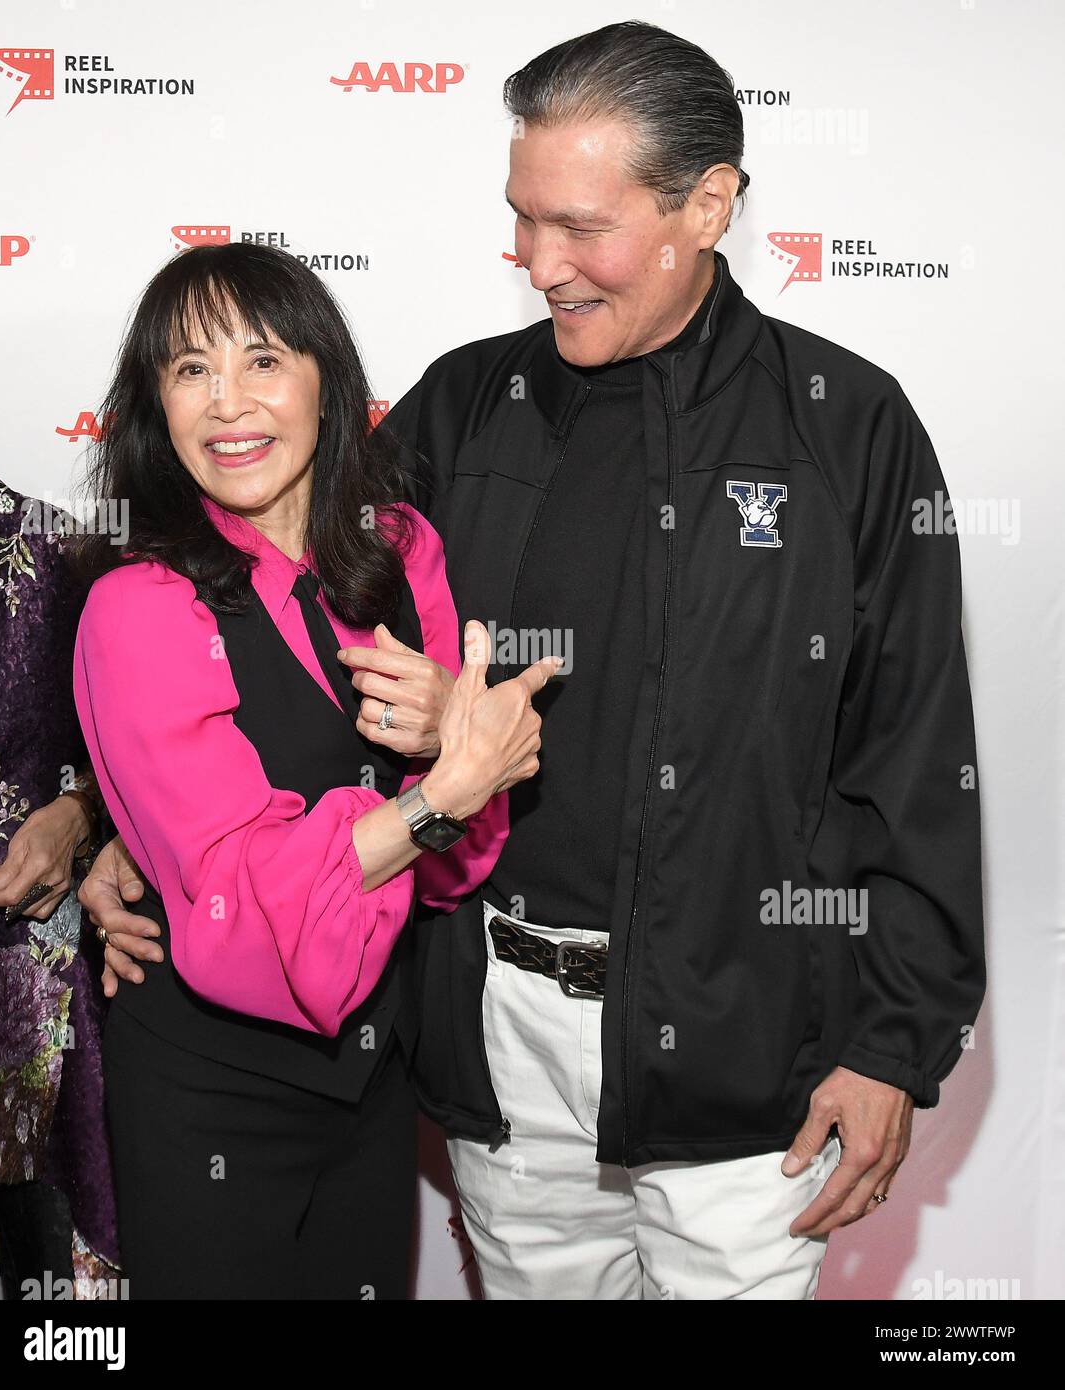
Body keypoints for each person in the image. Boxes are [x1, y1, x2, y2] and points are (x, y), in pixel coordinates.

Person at [91, 21, 985, 1301]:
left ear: (709, 204)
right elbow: (268, 625)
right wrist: (111, 813)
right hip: (500, 1049)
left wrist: (894, 1047)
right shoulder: (459, 408)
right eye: (521, 221)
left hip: (747, 1060)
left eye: (579, 227)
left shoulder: (846, 429)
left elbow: (913, 755)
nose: (538, 263)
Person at [67, 241, 553, 1299]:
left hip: (373, 1079)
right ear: (156, 405)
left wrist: (449, 760)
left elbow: (452, 870)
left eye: (262, 360)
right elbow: (241, 899)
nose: (227, 402)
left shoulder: (398, 549)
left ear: (328, 385)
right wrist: (444, 791)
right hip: (212, 1090)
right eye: (190, 369)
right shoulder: (141, 605)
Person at [0, 459, 120, 1297]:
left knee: (65, 1323)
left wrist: (79, 812)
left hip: (34, 1003)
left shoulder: (53, 551)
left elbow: (142, 752)